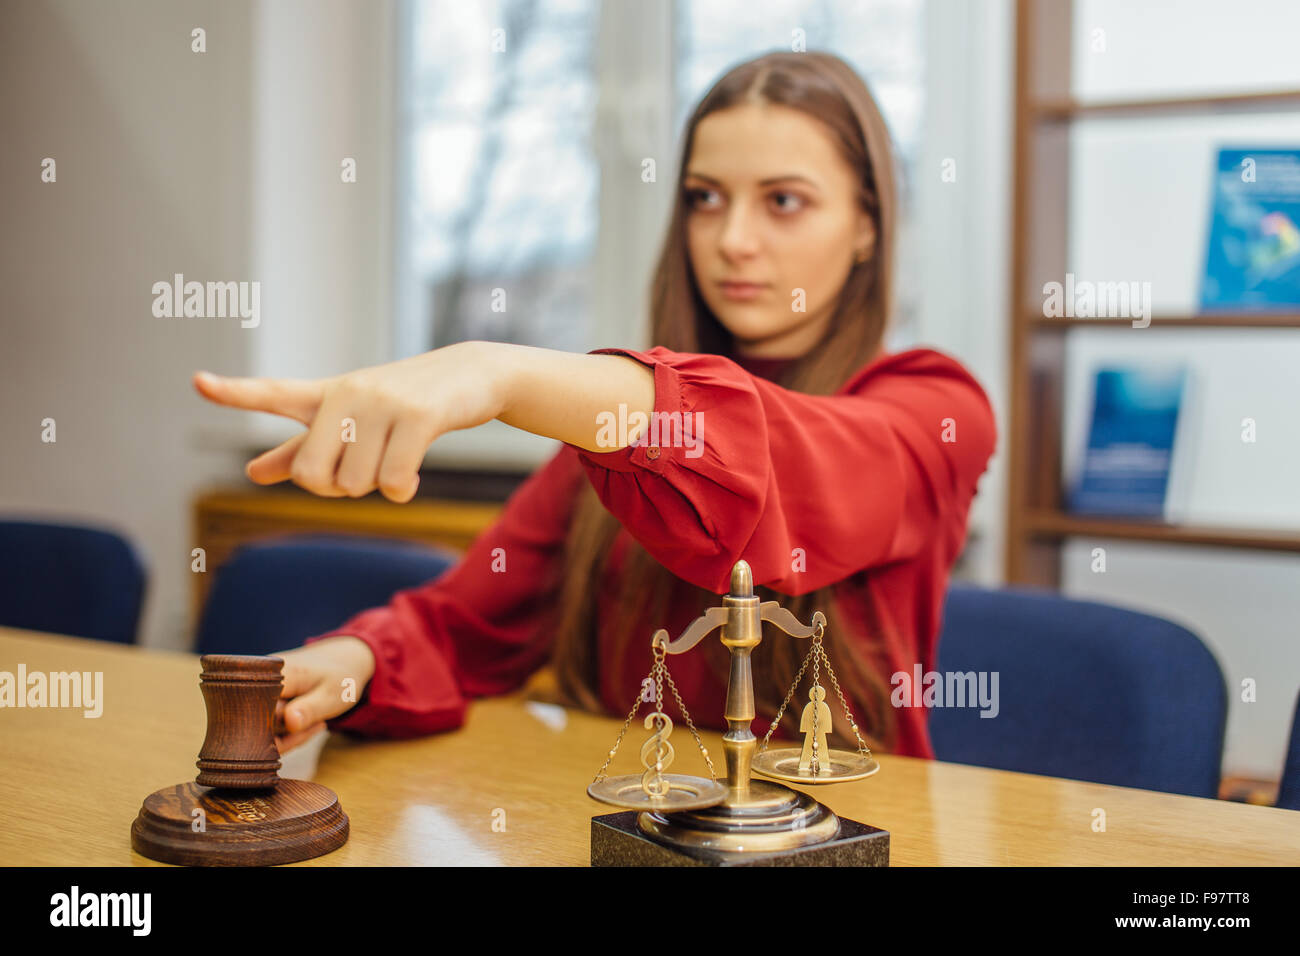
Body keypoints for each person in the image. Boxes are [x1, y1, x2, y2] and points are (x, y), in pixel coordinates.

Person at [193, 50, 997, 761]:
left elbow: (776, 459)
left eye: (784, 201)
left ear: (868, 226)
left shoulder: (935, 410)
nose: (733, 240)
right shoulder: (613, 432)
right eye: (704, 198)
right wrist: (349, 665)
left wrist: (497, 372)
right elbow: (457, 627)